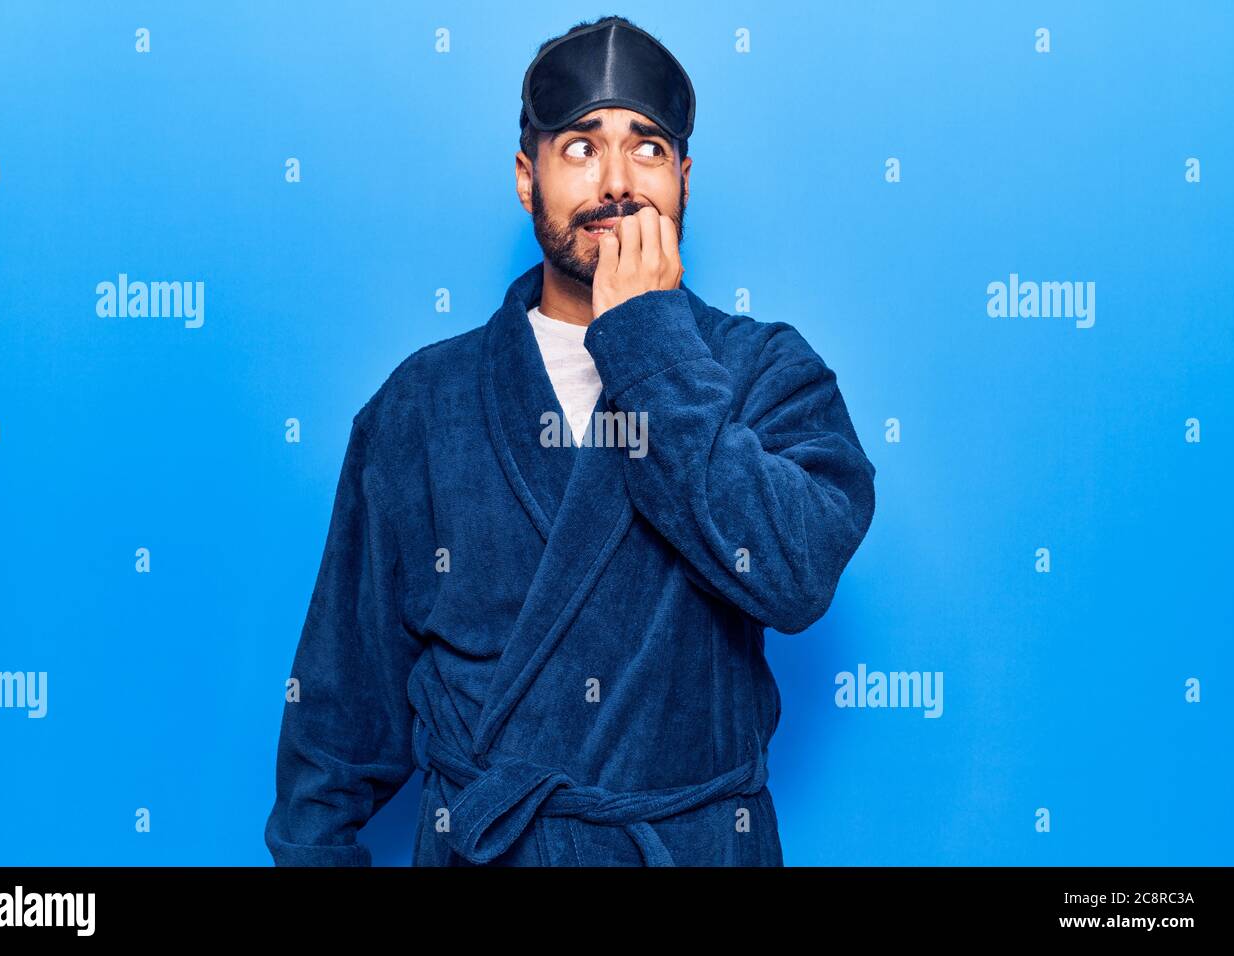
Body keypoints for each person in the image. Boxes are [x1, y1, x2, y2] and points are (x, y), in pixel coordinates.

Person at [264, 14, 877, 867]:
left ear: (686, 177)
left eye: (649, 148)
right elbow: (340, 710)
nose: (618, 182)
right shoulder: (419, 405)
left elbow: (795, 576)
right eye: (581, 148)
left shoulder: (765, 371)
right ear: (528, 177)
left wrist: (651, 344)